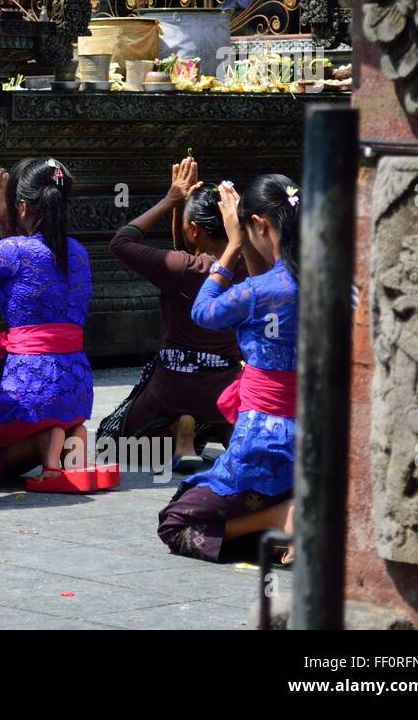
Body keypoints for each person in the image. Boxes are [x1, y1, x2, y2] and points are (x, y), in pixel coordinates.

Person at [158, 174, 300, 563]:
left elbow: (203, 311)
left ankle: (285, 516)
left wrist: (232, 247)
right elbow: (267, 284)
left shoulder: (263, 290)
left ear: (259, 225)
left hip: (264, 440)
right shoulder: (330, 280)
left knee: (175, 522)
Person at [0, 157, 93, 483]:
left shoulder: (14, 250)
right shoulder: (79, 252)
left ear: (22, 208)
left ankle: (45, 439)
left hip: (31, 389)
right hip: (77, 390)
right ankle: (67, 434)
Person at [100, 157, 245, 472]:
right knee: (226, 400)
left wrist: (170, 200)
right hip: (225, 388)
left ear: (193, 230)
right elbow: (192, 252)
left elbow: (121, 241)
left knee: (108, 439)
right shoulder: (251, 265)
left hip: (173, 388)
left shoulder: (180, 268)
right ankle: (224, 428)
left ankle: (183, 427)